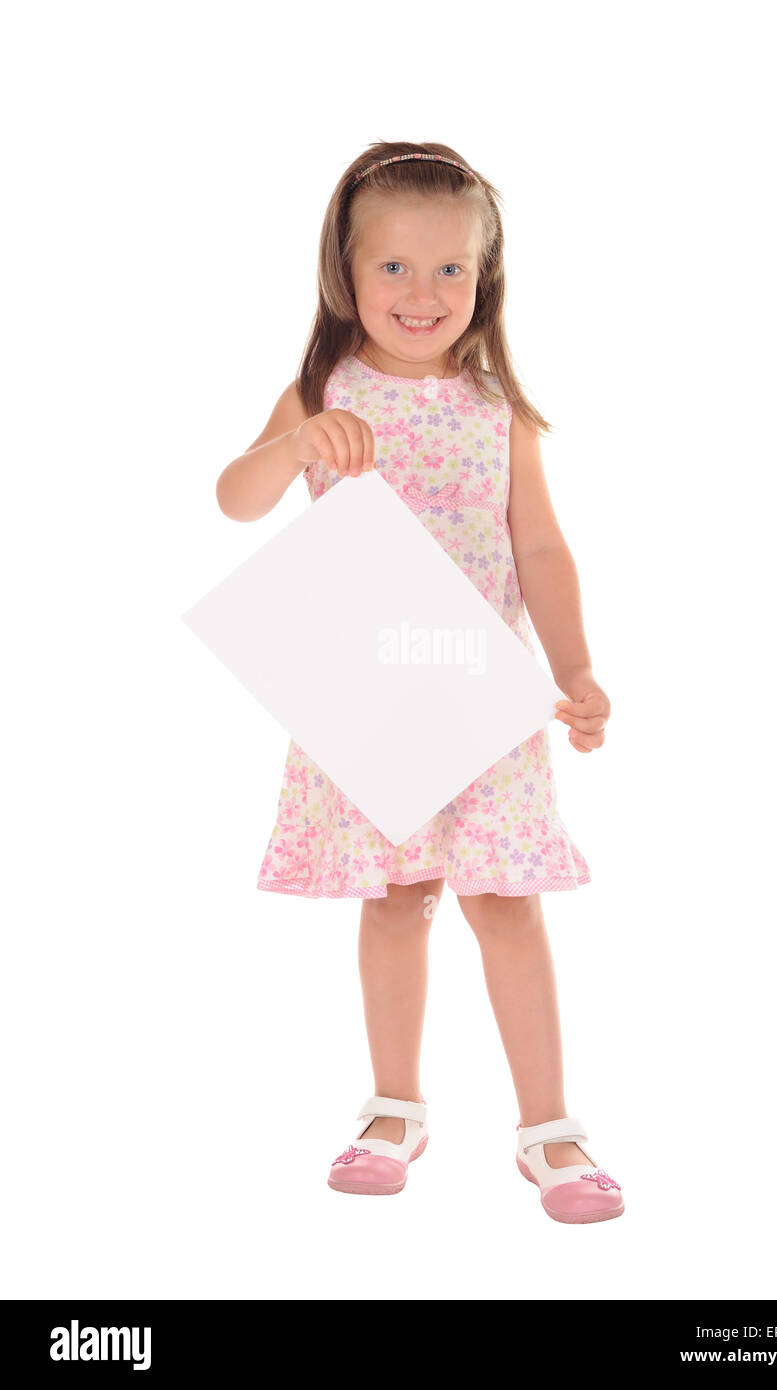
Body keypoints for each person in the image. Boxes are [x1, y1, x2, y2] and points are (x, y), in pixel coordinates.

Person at [215, 142, 623, 1224]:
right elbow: (236, 500)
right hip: (373, 701)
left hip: (484, 702)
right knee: (395, 902)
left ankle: (549, 1126)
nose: (421, 292)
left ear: (483, 280)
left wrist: (574, 667)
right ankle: (394, 1106)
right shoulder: (323, 388)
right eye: (392, 267)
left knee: (505, 902)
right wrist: (299, 437)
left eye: (450, 270)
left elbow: (540, 550)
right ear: (343, 273)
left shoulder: (497, 409)